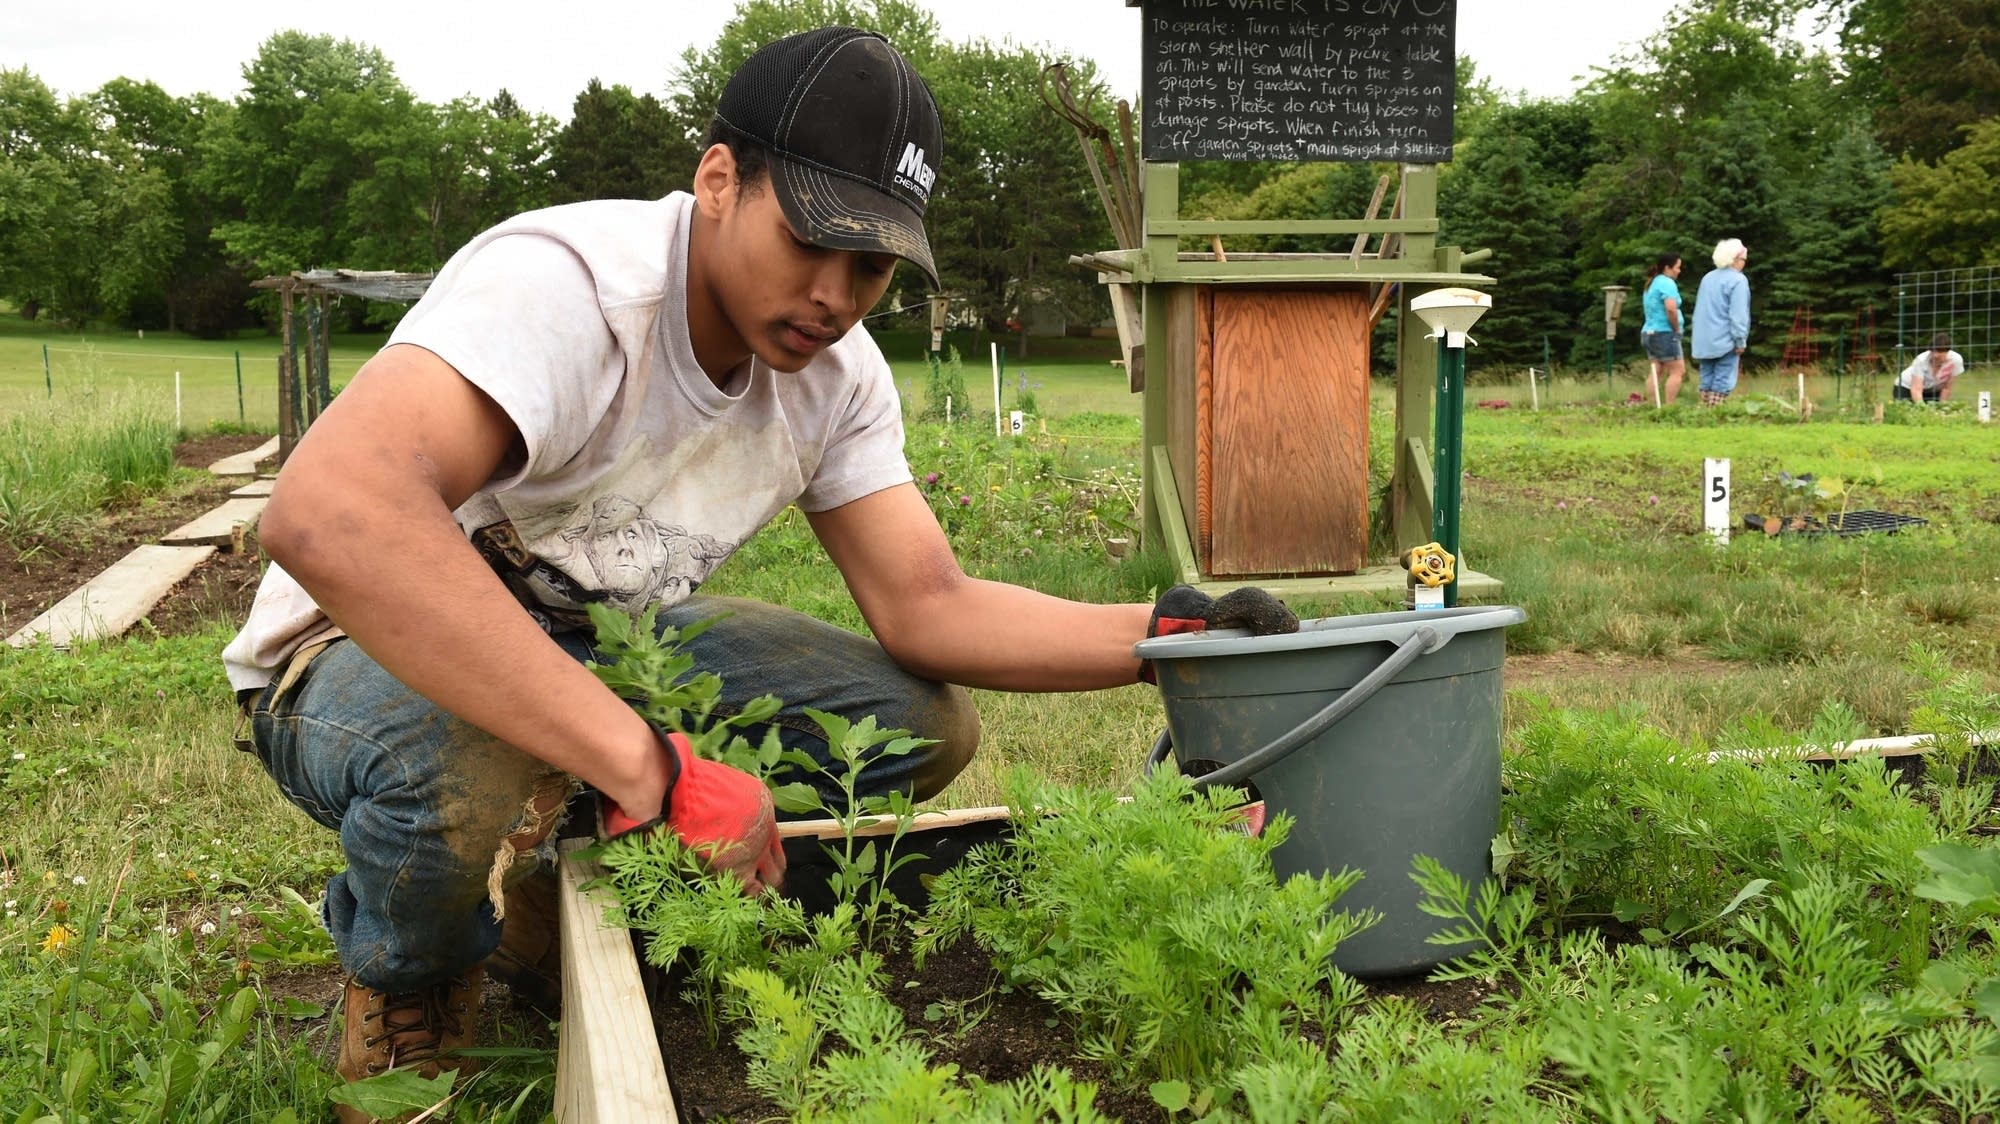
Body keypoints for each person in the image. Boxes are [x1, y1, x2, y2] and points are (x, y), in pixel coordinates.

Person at [222, 27, 1295, 1119]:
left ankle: (563, 885)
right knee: (461, 761)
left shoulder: (835, 376)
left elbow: (929, 604)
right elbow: (332, 517)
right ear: (720, 179)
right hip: (352, 651)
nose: (833, 294)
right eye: (808, 242)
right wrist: (654, 763)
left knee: (912, 721)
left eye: (870, 265)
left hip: (598, 643)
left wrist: (1168, 635)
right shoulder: (568, 288)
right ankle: (415, 969)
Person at [1690, 238, 1751, 406]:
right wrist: (1740, 340)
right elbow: (1738, 315)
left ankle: (1702, 414)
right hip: (1726, 340)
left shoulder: (1707, 278)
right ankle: (1716, 415)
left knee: (1706, 380)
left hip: (1704, 340)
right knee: (1722, 381)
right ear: (1736, 259)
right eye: (1744, 260)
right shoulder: (1738, 280)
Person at [1640, 252, 1686, 406]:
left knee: (1656, 371)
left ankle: (1653, 406)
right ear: (1667, 268)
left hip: (1648, 333)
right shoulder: (1667, 283)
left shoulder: (1651, 283)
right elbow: (1671, 309)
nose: (1679, 271)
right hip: (1665, 333)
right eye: (1677, 267)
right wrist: (1677, 328)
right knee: (1677, 371)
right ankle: (1669, 407)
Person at [1895, 332, 1963, 403]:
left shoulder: (1956, 360)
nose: (1935, 355)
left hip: (1931, 389)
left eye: (1939, 351)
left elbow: (1947, 388)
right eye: (1932, 351)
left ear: (1948, 351)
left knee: (1935, 411)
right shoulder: (1921, 360)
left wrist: (1942, 405)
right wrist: (1922, 408)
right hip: (1906, 387)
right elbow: (1916, 389)